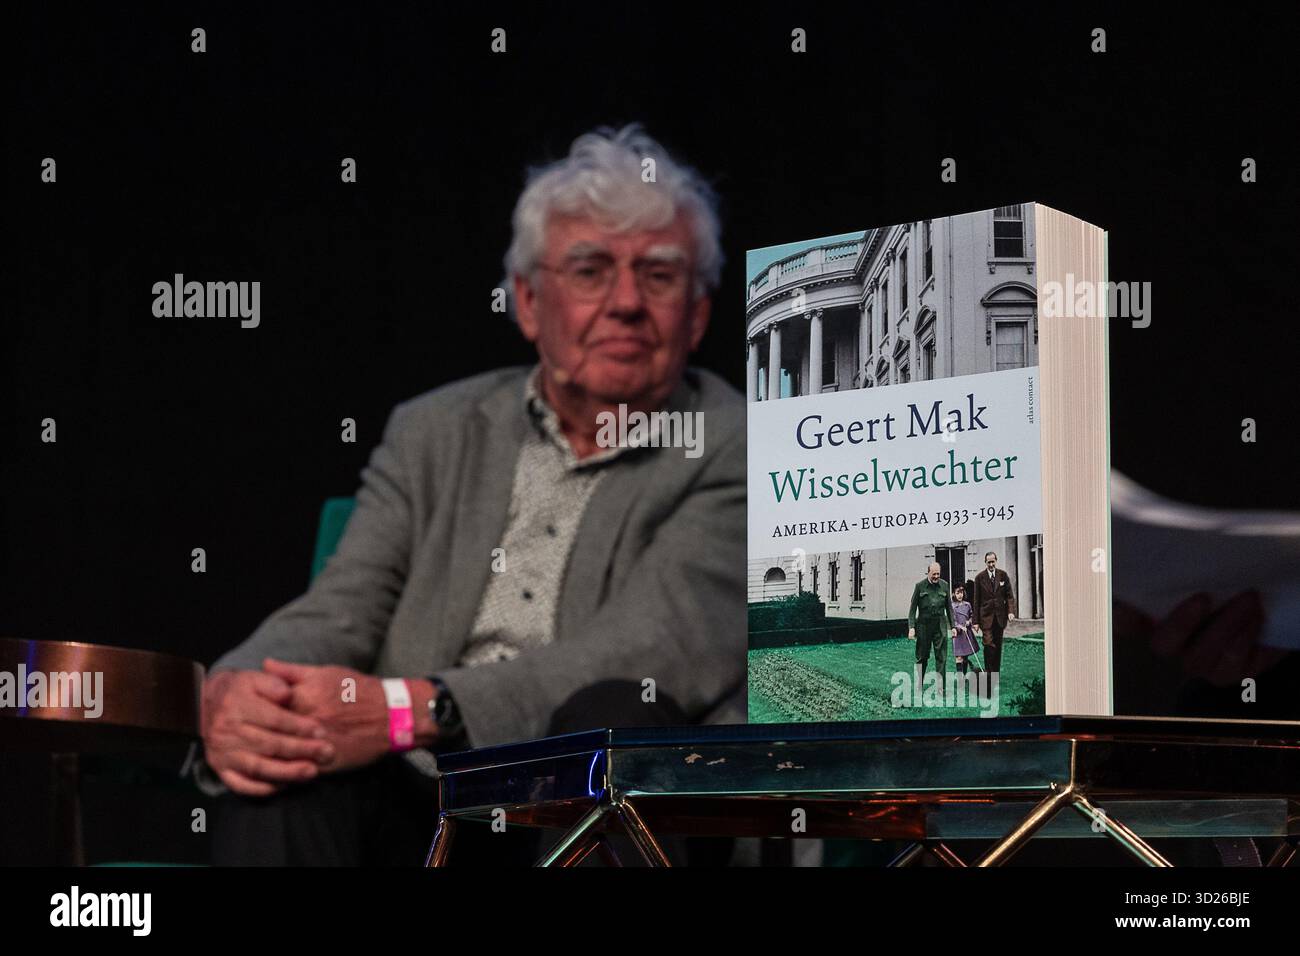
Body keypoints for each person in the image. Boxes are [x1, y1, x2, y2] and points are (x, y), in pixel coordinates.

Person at [198, 124, 747, 865]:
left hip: (591, 795)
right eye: (589, 270)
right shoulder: (434, 429)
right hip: (419, 798)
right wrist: (241, 692)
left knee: (622, 712)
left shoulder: (740, 441)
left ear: (698, 314)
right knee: (287, 766)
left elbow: (655, 645)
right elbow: (342, 606)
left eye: (658, 275)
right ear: (526, 301)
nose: (625, 302)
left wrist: (409, 711)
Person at [907, 563, 956, 684]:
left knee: (941, 657)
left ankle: (941, 688)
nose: (936, 576)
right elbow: (912, 609)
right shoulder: (920, 586)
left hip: (940, 625)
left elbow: (949, 608)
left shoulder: (944, 585)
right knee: (922, 657)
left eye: (938, 574)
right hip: (924, 625)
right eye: (933, 574)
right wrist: (911, 627)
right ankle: (919, 684)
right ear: (928, 573)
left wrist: (953, 626)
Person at [972, 551, 1016, 677]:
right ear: (985, 563)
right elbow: (976, 601)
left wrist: (1010, 611)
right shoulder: (979, 578)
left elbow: (1009, 596)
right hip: (985, 618)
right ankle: (989, 673)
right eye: (988, 562)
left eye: (993, 561)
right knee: (988, 644)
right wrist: (975, 621)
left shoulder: (1003, 575)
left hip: (1000, 618)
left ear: (996, 561)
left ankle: (995, 674)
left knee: (997, 647)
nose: (991, 564)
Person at [950, 584, 980, 675]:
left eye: (961, 593)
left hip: (967, 634)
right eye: (957, 593)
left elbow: (971, 616)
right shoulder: (952, 606)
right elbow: (952, 620)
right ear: (954, 594)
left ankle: (964, 675)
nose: (960, 595)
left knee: (965, 656)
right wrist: (959, 626)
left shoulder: (967, 605)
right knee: (959, 657)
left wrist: (969, 622)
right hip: (958, 635)